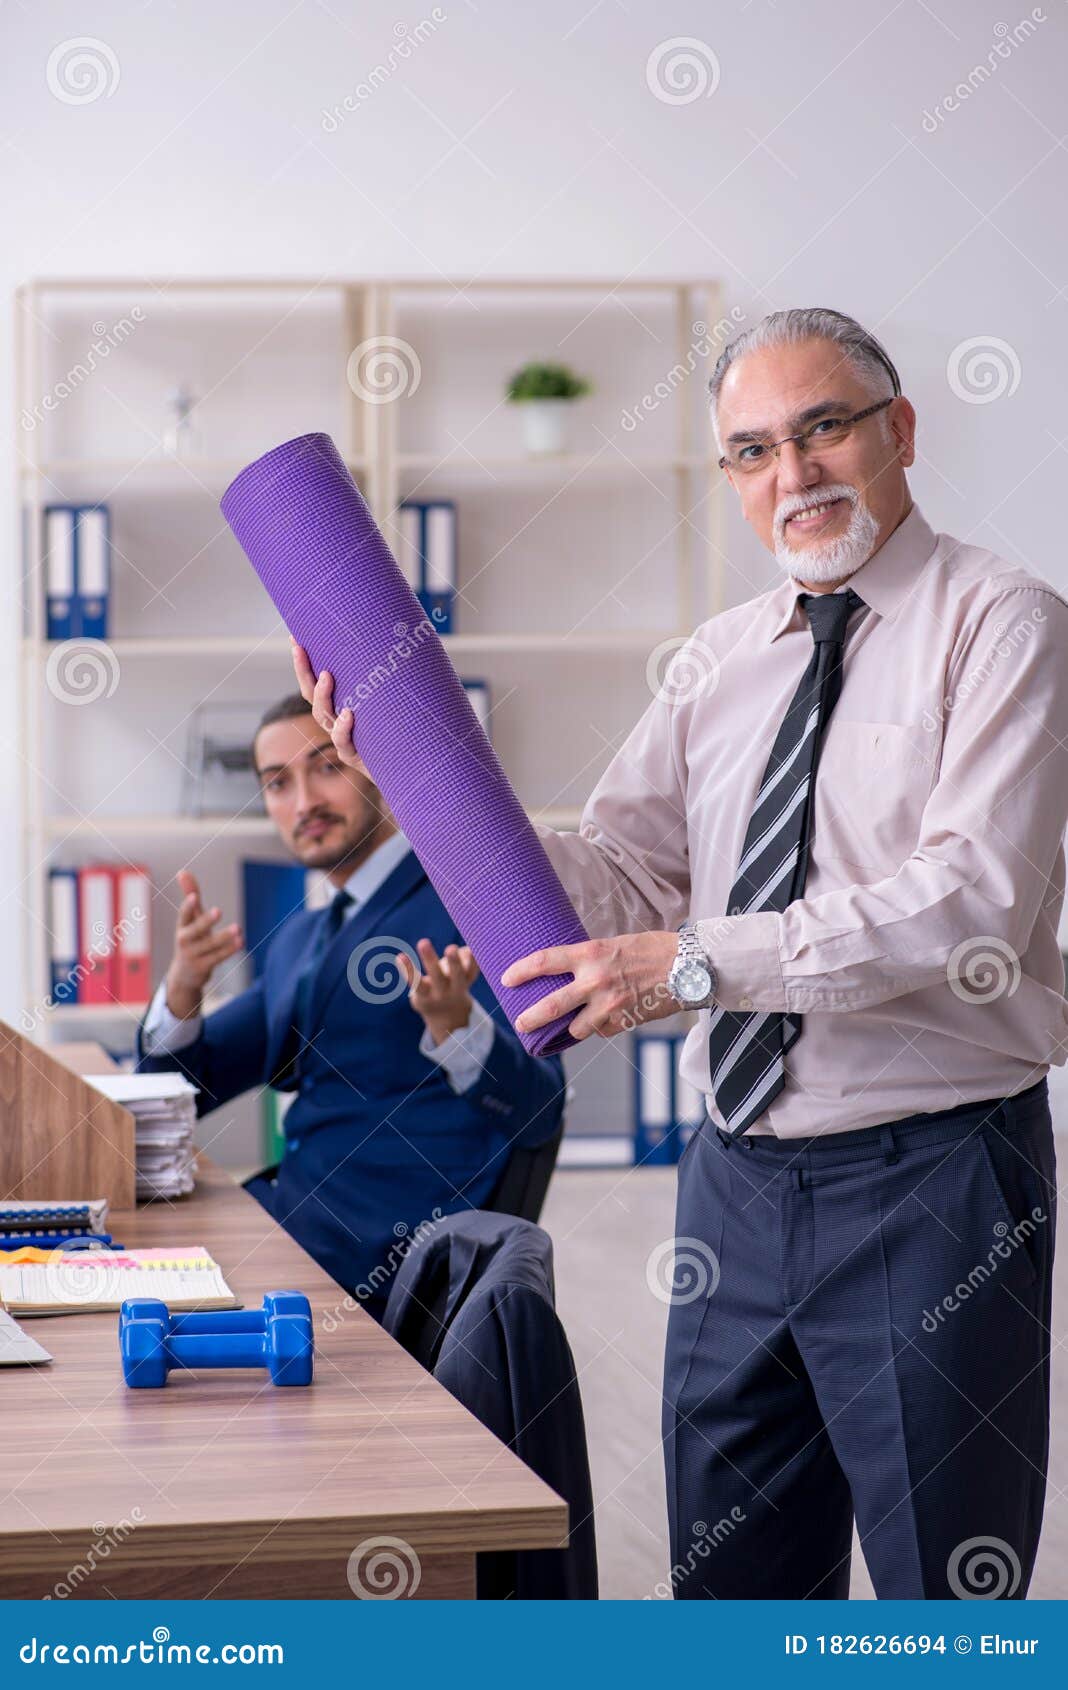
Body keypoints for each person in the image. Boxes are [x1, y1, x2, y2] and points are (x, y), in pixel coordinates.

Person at [294, 307, 1068, 1599]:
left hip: (934, 1180)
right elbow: (614, 875)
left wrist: (696, 965)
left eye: (824, 428)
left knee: (947, 1601)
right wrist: (415, 783)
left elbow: (972, 902)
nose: (795, 473)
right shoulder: (720, 663)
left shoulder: (1003, 624)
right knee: (730, 1592)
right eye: (753, 449)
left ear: (901, 431)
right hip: (735, 1187)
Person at [136, 691, 566, 1320]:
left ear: (377, 765)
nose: (304, 801)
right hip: (289, 1224)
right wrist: (182, 987)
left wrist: (457, 1029)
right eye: (278, 784)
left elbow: (538, 1106)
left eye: (326, 767)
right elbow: (174, 1097)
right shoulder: (303, 935)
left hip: (380, 1262)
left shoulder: (468, 898)